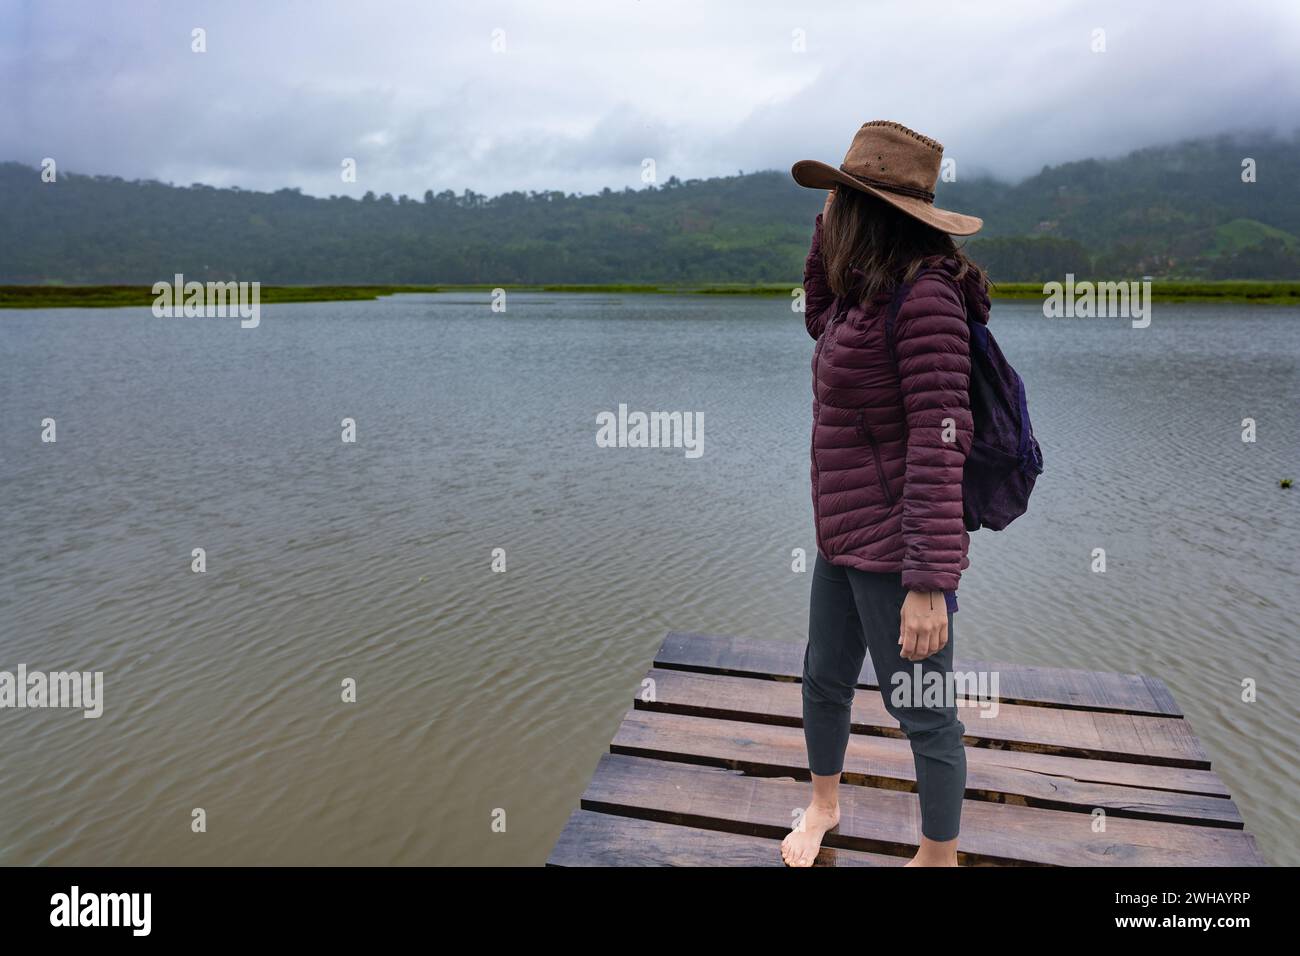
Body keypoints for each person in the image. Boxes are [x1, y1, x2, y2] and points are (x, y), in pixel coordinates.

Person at [781, 121, 988, 867]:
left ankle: (939, 859)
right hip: (841, 533)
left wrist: (929, 583)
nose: (833, 211)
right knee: (824, 679)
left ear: (870, 212)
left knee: (925, 713)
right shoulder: (858, 295)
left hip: (899, 547)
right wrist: (824, 222)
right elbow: (815, 315)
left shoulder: (925, 300)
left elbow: (943, 443)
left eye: (844, 199)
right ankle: (825, 804)